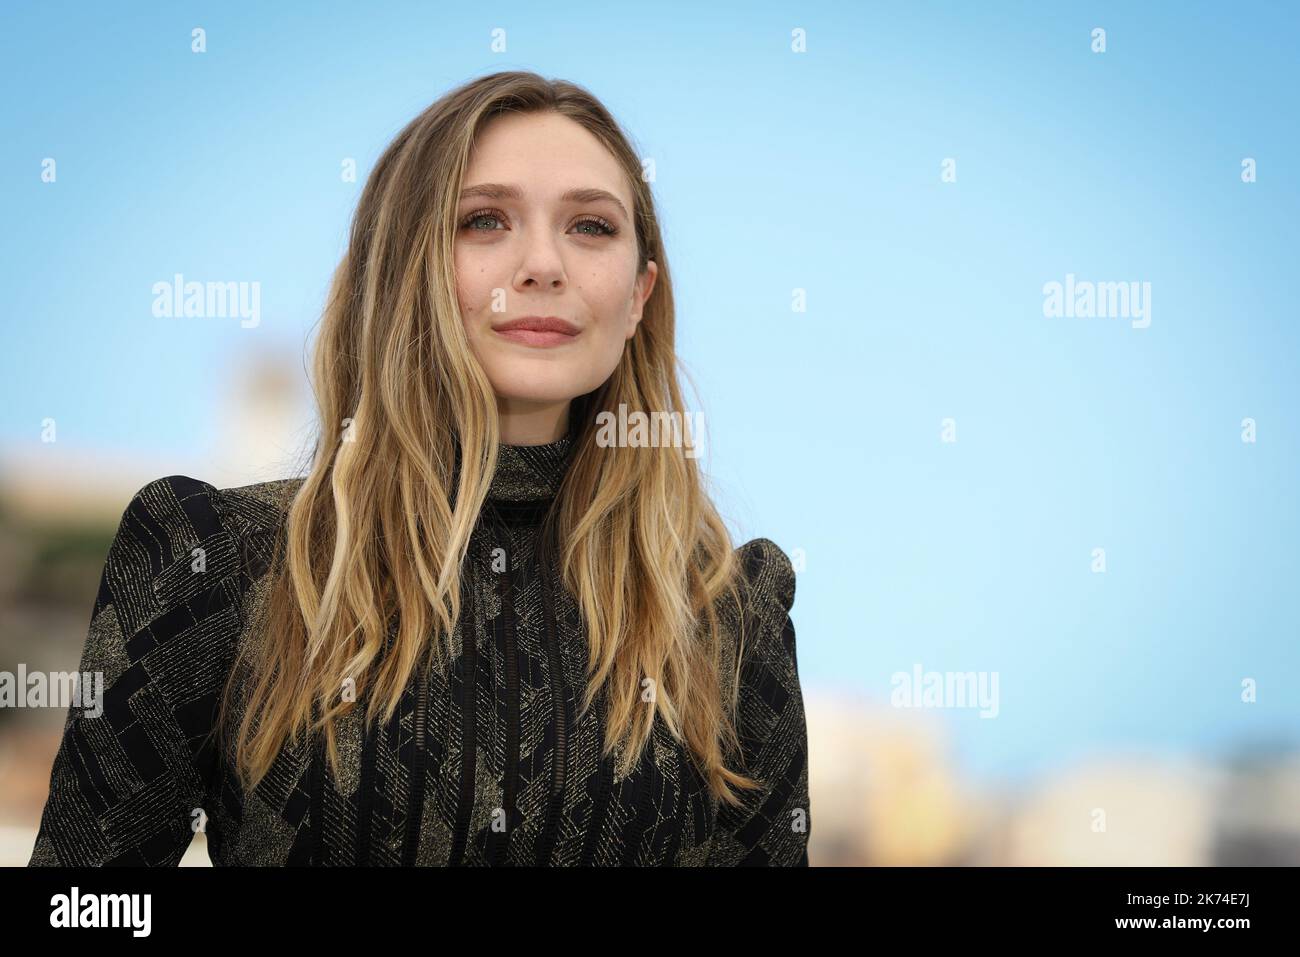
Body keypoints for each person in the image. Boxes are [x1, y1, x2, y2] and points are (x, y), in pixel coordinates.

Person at [28, 71, 810, 866]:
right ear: (402, 265)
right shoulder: (218, 559)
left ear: (640, 292)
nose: (542, 264)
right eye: (484, 220)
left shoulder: (730, 618)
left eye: (591, 227)